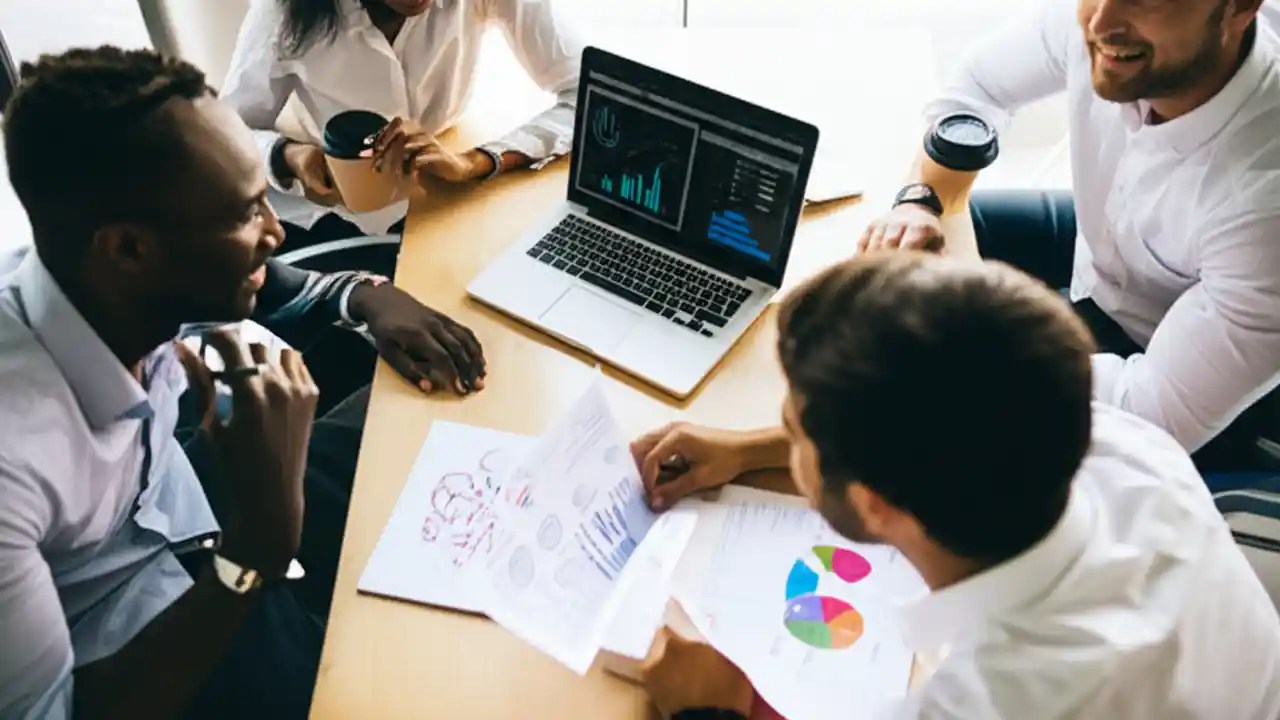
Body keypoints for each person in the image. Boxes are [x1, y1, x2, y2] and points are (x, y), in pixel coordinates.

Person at [0, 46, 480, 718]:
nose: (275, 230)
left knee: (430, 424)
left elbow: (263, 278)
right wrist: (256, 548)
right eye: (245, 213)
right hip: (142, 646)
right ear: (129, 248)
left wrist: (361, 294)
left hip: (193, 506)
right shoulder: (13, 468)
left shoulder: (90, 274)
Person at [633, 253, 1280, 719]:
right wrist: (747, 451)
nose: (782, 434)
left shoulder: (990, 701)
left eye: (793, 428)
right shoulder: (1128, 445)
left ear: (875, 503)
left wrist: (725, 707)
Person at [857, 0, 1280, 475]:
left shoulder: (1266, 207)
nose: (1100, 24)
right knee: (898, 254)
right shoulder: (1111, 29)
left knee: (937, 424)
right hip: (1109, 261)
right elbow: (979, 84)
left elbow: (1149, 410)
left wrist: (975, 356)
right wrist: (920, 201)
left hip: (1184, 385)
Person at [221, 0, 582, 253]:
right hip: (333, 215)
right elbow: (225, 133)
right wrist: (287, 155)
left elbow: (586, 96)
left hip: (445, 208)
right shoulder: (281, 12)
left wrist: (478, 161)